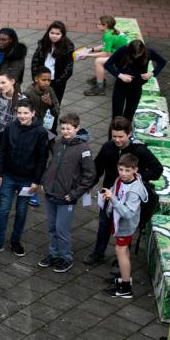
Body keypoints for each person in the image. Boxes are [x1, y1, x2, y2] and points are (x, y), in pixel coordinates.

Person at [86, 117, 163, 265]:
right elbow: (97, 167)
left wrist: (137, 177)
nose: (117, 140)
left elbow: (157, 169)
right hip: (109, 192)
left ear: (129, 134)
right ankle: (98, 253)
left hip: (129, 196)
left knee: (125, 226)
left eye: (121, 136)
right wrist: (89, 185)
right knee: (104, 224)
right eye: (114, 136)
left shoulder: (140, 150)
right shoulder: (107, 147)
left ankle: (120, 259)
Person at [0, 101, 48, 259]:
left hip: (27, 180)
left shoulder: (40, 132)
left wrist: (36, 181)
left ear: (33, 113)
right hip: (8, 176)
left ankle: (15, 242)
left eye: (25, 113)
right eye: (19, 113)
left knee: (21, 211)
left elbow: (42, 159)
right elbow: (2, 152)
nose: (22, 116)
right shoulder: (10, 128)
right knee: (3, 210)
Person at [38, 113, 97, 274]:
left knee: (61, 229)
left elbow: (89, 175)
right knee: (52, 227)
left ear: (77, 128)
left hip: (66, 197)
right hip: (51, 193)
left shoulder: (83, 149)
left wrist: (74, 194)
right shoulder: (59, 144)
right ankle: (54, 254)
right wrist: (45, 181)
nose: (65, 131)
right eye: (63, 128)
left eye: (68, 128)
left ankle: (66, 258)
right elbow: (52, 165)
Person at [103, 154, 147, 298]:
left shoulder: (134, 190)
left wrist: (113, 199)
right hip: (120, 223)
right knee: (124, 250)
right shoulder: (121, 179)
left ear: (135, 170)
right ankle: (123, 278)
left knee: (120, 250)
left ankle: (126, 288)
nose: (123, 173)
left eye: (127, 170)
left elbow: (128, 213)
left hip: (126, 226)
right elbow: (117, 189)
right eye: (121, 169)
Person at [103, 40, 166, 122]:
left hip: (136, 86)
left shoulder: (149, 52)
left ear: (143, 51)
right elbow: (107, 64)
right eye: (134, 55)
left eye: (138, 55)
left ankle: (126, 129)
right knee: (117, 114)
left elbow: (162, 62)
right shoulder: (123, 50)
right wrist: (121, 76)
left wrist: (151, 73)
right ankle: (115, 129)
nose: (136, 57)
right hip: (121, 85)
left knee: (129, 114)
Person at [80, 15, 130, 97]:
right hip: (123, 53)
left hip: (125, 59)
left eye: (98, 24)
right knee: (99, 56)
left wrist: (88, 55)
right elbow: (104, 47)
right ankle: (99, 78)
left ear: (105, 25)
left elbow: (106, 53)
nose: (97, 25)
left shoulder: (108, 36)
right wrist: (90, 50)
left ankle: (100, 88)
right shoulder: (112, 31)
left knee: (98, 61)